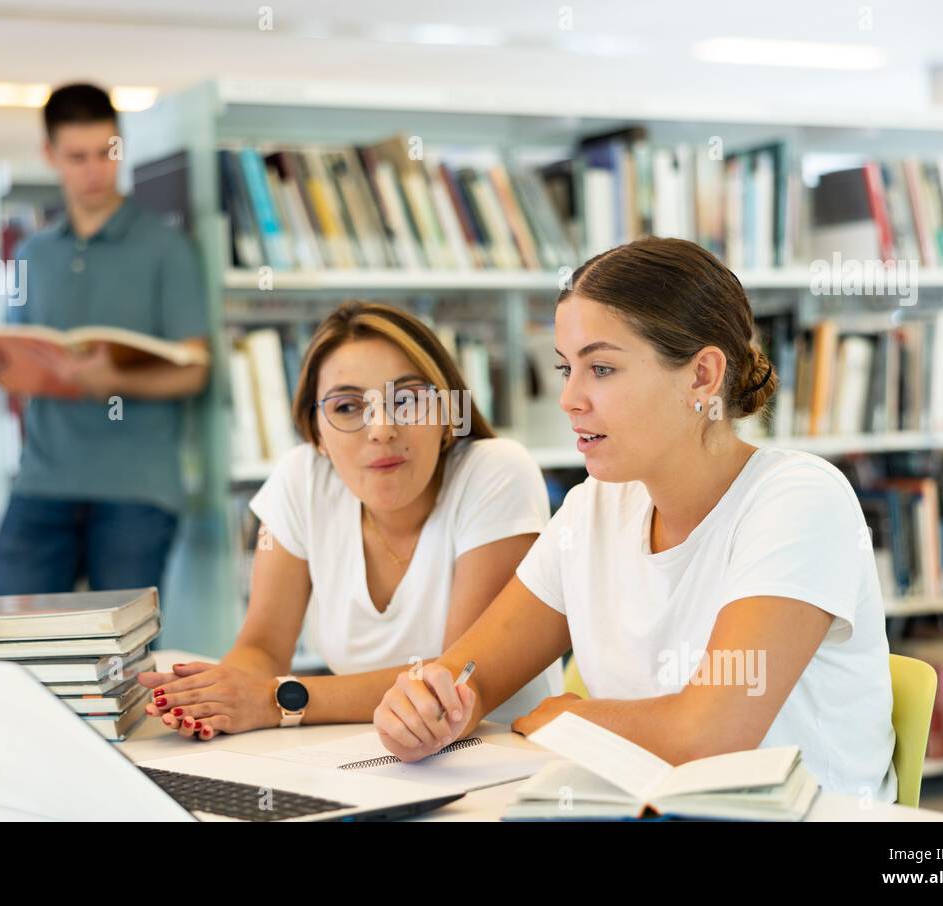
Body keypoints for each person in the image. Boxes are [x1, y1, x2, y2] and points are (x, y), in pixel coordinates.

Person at [370, 237, 898, 803]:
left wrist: (573, 719)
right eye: (565, 368)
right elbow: (472, 676)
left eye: (601, 367)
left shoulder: (799, 500)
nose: (569, 398)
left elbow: (711, 734)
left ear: (702, 376)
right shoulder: (595, 506)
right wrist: (424, 706)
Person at [139, 300, 562, 736]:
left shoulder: (496, 471)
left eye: (407, 400)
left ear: (447, 416)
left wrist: (275, 700)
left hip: (499, 754)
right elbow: (261, 648)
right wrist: (214, 700)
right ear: (316, 432)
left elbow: (455, 680)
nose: (381, 429)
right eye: (347, 407)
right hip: (369, 754)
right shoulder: (300, 479)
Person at [0, 83, 209, 597]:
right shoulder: (31, 254)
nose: (95, 170)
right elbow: (22, 356)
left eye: (106, 153)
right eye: (77, 157)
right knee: (12, 643)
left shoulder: (169, 250)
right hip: (42, 481)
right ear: (49, 155)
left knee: (123, 661)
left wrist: (113, 379)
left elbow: (196, 368)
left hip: (136, 490)